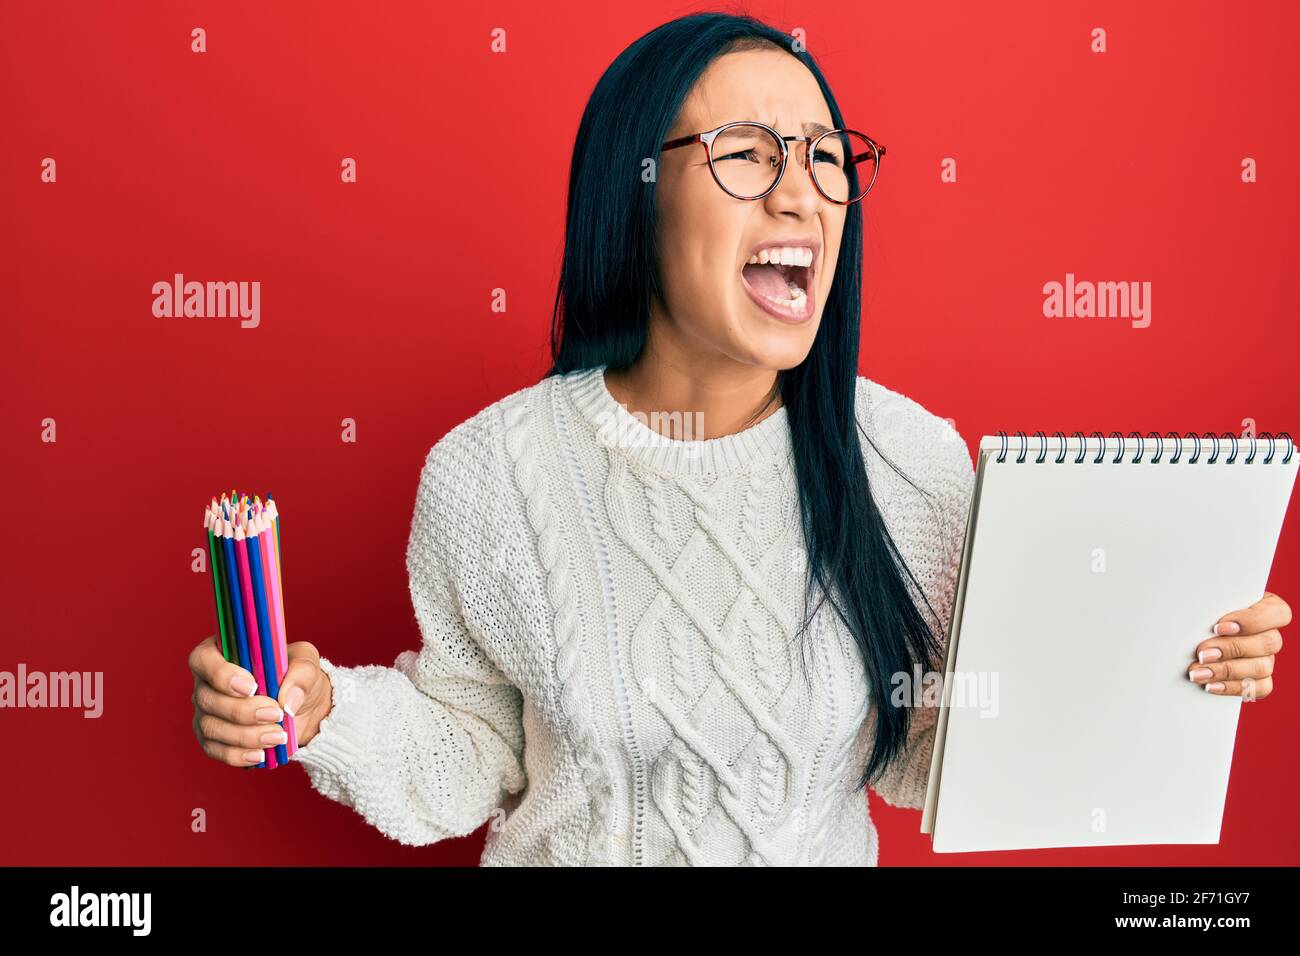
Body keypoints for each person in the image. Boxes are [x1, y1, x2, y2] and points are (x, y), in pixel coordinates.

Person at [187, 11, 1289, 866]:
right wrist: (325, 709)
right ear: (637, 193)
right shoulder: (488, 474)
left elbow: (924, 756)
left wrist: (1169, 659)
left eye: (824, 157)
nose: (804, 193)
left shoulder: (908, 458)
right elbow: (472, 746)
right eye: (749, 154)